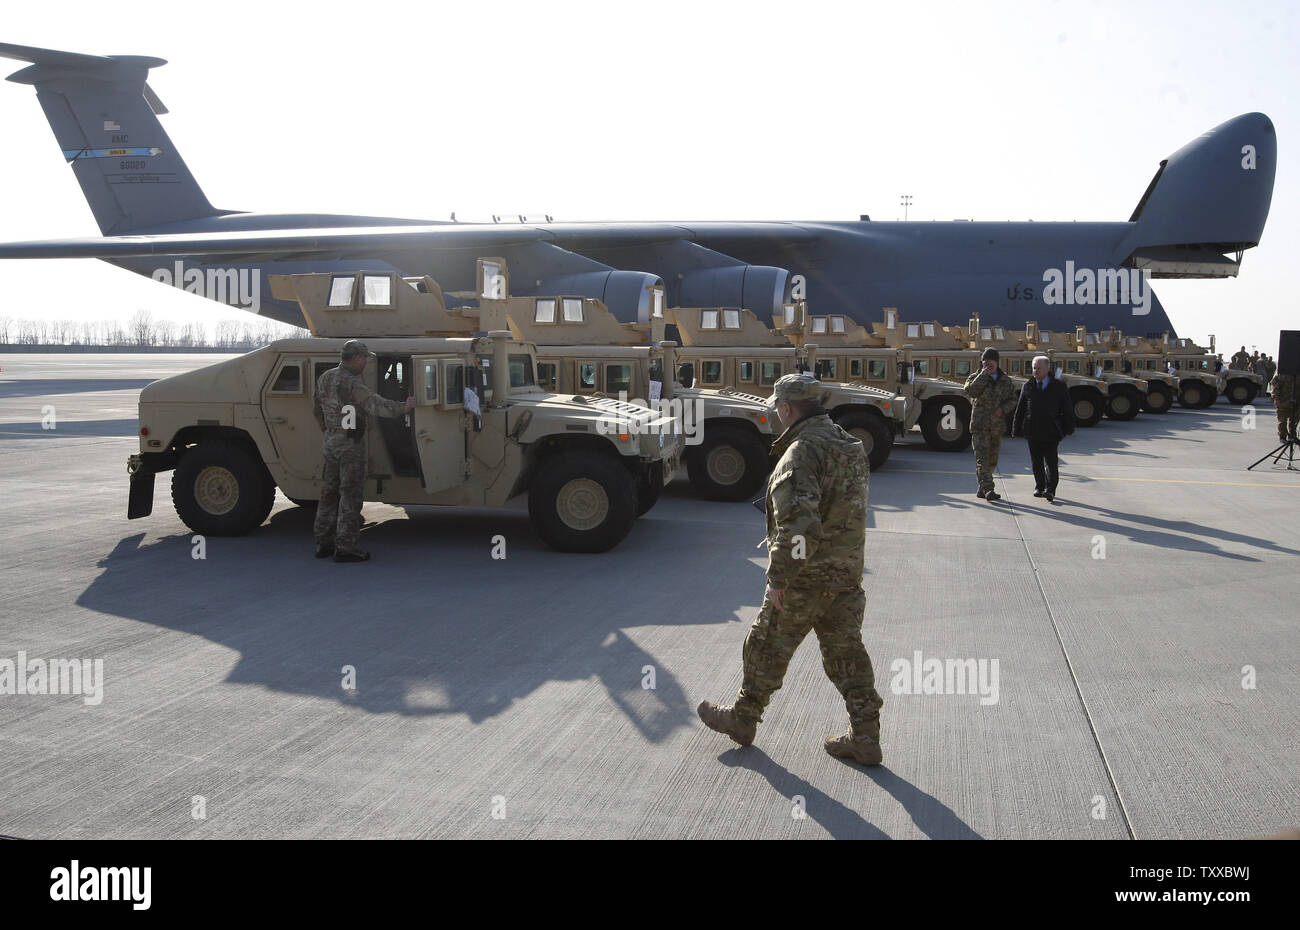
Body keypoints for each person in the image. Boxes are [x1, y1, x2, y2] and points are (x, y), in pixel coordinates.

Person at [697, 373, 885, 765]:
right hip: (846, 575)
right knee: (847, 654)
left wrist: (780, 579)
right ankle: (866, 737)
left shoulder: (801, 453)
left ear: (785, 409)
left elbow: (800, 528)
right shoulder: (847, 444)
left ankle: (743, 719)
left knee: (765, 644)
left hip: (807, 578)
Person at [312, 340, 416, 562]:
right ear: (356, 358)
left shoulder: (325, 377)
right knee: (350, 494)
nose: (366, 363)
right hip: (350, 444)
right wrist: (403, 408)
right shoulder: (350, 383)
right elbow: (375, 404)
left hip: (331, 441)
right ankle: (345, 547)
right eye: (365, 359)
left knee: (328, 494)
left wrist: (331, 430)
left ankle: (323, 543)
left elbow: (316, 408)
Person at [1013, 355, 1075, 501]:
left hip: (1051, 430)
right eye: (1034, 368)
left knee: (1051, 461)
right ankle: (1039, 486)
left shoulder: (1059, 386)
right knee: (1036, 461)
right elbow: (1020, 409)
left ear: (1048, 369)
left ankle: (1051, 489)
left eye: (1038, 368)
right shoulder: (1028, 386)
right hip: (1032, 430)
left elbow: (1067, 409)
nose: (1035, 371)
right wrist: (1016, 430)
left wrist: (1068, 429)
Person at [964, 347, 1018, 502]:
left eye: (991, 360)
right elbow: (971, 391)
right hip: (979, 426)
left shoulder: (1005, 380)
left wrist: (1003, 409)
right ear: (981, 362)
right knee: (982, 459)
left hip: (996, 426)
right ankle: (989, 489)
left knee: (992, 460)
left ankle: (982, 488)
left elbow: (1013, 399)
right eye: (985, 360)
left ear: (997, 362)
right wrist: (983, 375)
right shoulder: (975, 377)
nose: (988, 363)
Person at [1268, 369, 1297, 443]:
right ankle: (1282, 437)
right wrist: (1276, 398)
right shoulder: (1283, 369)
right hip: (1283, 400)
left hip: (1296, 400)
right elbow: (1274, 384)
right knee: (1282, 420)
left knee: (1294, 420)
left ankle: (1292, 436)